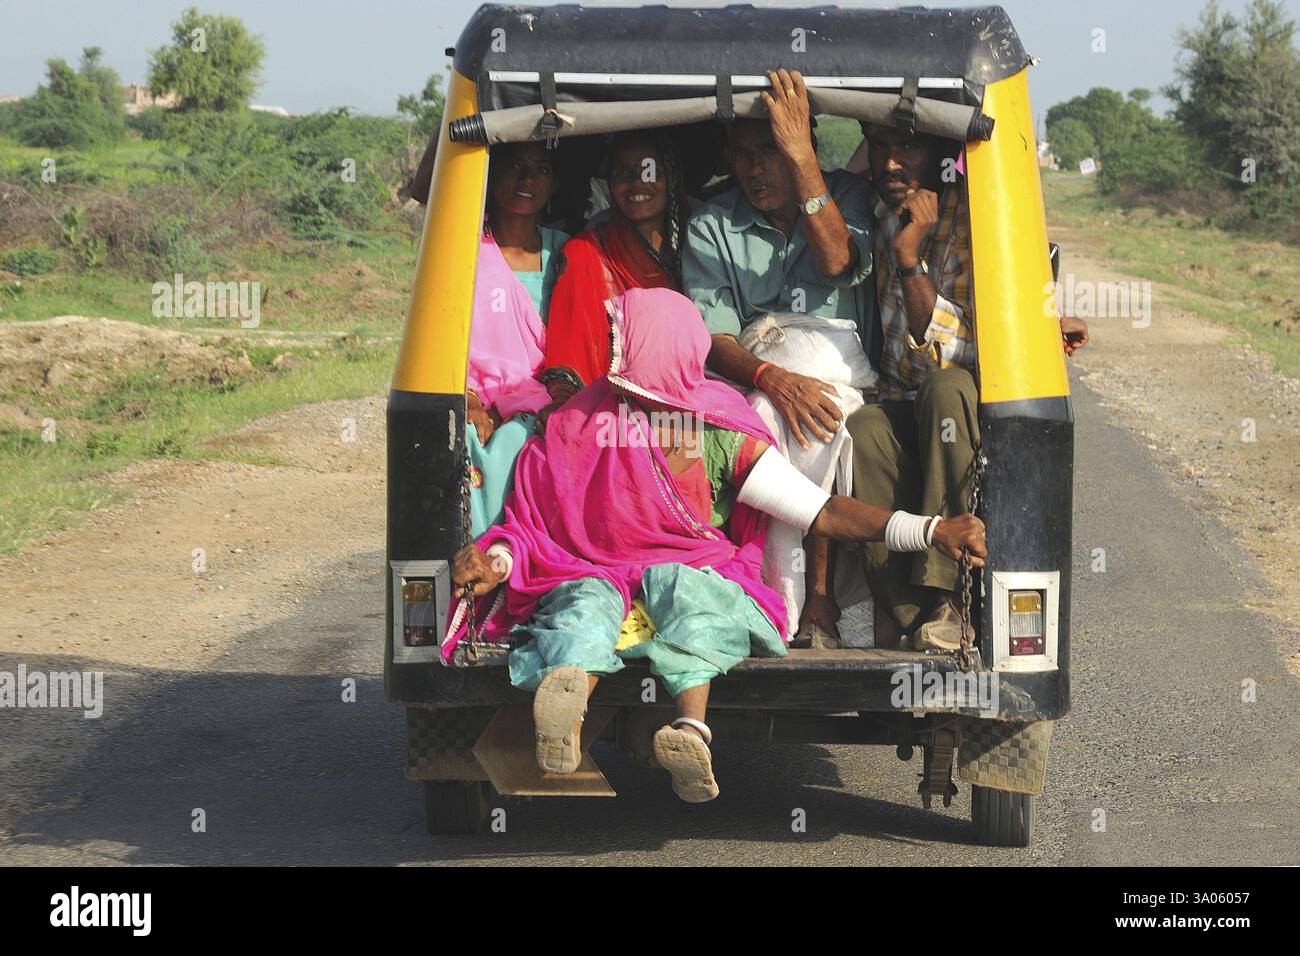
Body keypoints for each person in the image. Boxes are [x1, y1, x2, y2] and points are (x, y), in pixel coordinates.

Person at [448, 287, 987, 803]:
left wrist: (929, 530)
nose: (612, 348)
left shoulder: (709, 427)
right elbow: (534, 522)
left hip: (663, 573)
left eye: (621, 335)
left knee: (659, 596)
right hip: (604, 571)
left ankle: (658, 719)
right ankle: (592, 713)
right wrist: (498, 559)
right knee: (599, 603)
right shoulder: (580, 423)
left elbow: (818, 510)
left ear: (659, 346)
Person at [845, 122, 1089, 650]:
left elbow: (962, 352)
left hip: (963, 410)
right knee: (863, 426)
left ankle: (951, 598)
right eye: (881, 147)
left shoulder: (978, 218)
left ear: (940, 153)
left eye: (906, 148)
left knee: (946, 390)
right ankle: (901, 612)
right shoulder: (868, 210)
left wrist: (909, 258)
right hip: (897, 403)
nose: (889, 163)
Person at [682, 69, 876, 647]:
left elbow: (839, 261)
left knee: (815, 418)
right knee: (765, 420)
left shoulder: (849, 196)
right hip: (760, 380)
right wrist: (772, 376)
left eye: (771, 149)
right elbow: (714, 338)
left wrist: (802, 163)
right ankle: (773, 601)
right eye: (743, 153)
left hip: (843, 377)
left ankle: (815, 600)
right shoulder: (711, 223)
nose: (756, 167)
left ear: (805, 143)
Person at [539, 130, 691, 419]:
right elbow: (571, 357)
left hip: (684, 402)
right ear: (609, 184)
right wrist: (567, 405)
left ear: (670, 176)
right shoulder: (586, 251)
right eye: (623, 172)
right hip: (606, 407)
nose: (636, 183)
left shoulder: (699, 244)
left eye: (648, 170)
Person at [465, 141, 569, 536]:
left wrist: (560, 397)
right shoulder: (466, 249)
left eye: (541, 169)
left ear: (555, 181)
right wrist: (470, 399)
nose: (527, 179)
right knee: (475, 440)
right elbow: (450, 338)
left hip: (549, 393)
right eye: (514, 167)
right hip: (477, 396)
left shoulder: (566, 250)